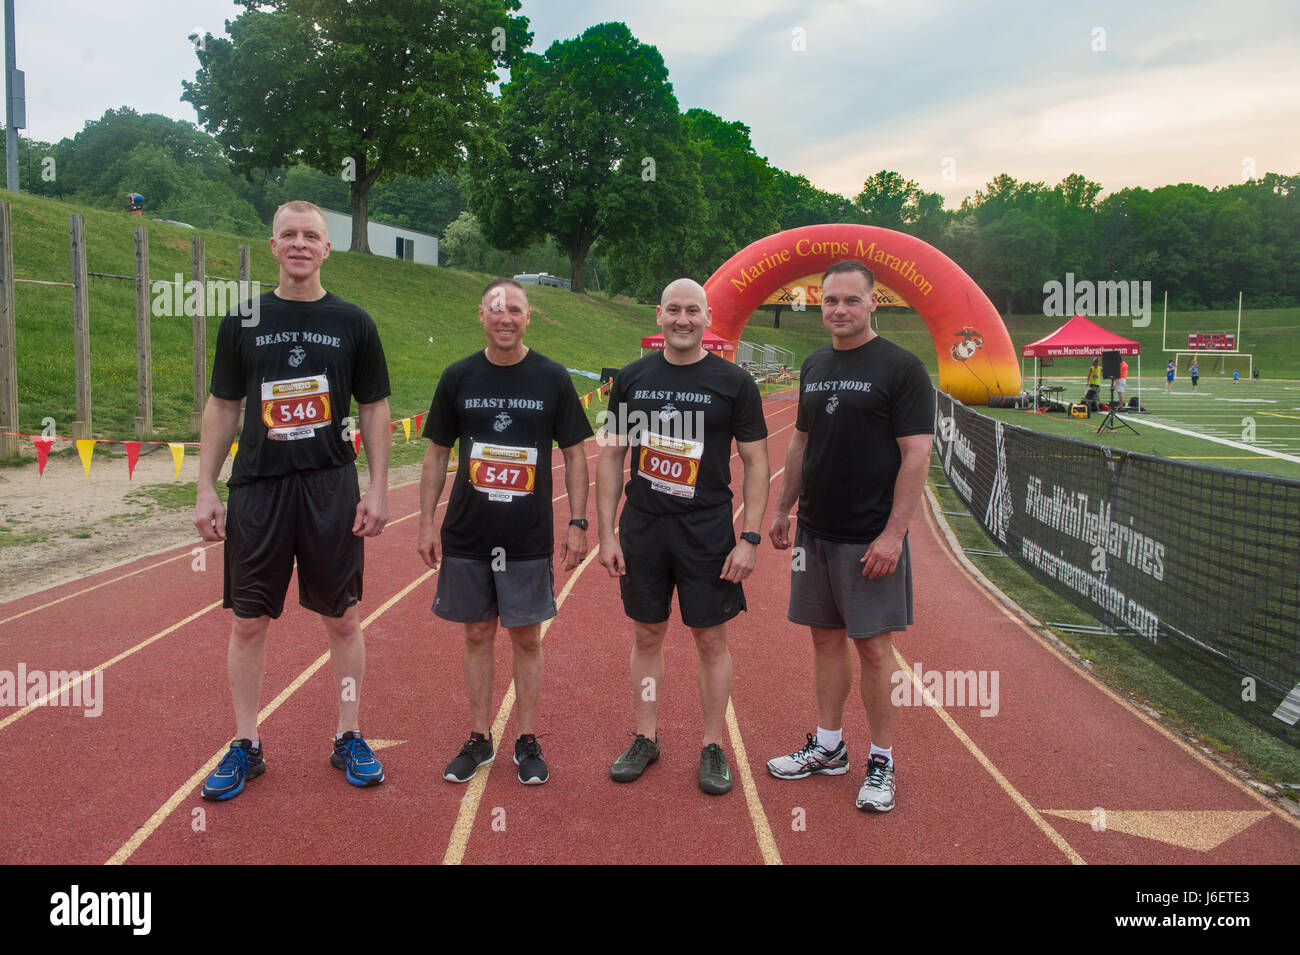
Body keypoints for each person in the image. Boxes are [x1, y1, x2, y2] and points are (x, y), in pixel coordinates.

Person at [195, 200, 391, 800]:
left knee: (343, 617)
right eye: (289, 235)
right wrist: (205, 484)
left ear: (326, 249)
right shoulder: (243, 319)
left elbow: (374, 407)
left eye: (311, 235)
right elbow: (225, 406)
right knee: (248, 621)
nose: (300, 244)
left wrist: (379, 486)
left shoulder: (354, 322)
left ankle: (349, 735)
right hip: (259, 486)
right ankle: (246, 744)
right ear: (274, 245)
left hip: (330, 485)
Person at [765, 260, 934, 813]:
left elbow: (916, 454)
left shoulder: (903, 368)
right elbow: (800, 443)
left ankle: (881, 759)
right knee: (823, 638)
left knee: (875, 648)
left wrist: (893, 535)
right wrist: (785, 507)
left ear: (872, 303)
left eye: (850, 301)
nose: (839, 309)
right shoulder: (814, 364)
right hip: (816, 531)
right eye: (830, 301)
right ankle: (829, 746)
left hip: (869, 537)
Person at [596, 278, 770, 796]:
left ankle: (713, 745)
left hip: (708, 530)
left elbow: (757, 463)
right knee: (647, 635)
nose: (682, 320)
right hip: (644, 526)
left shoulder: (734, 382)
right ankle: (645, 737)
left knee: (710, 640)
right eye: (673, 310)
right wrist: (606, 532)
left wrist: (751, 537)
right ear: (658, 314)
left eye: (692, 311)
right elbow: (611, 455)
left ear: (707, 316)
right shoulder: (631, 379)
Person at [417, 278, 593, 786]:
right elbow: (436, 454)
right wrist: (426, 522)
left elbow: (575, 454)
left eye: (514, 309)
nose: (505, 318)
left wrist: (578, 523)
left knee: (527, 639)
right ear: (481, 315)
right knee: (476, 634)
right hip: (469, 532)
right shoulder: (458, 377)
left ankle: (528, 738)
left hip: (526, 534)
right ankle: (479, 737)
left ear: (527, 315)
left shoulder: (552, 379)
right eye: (497, 310)